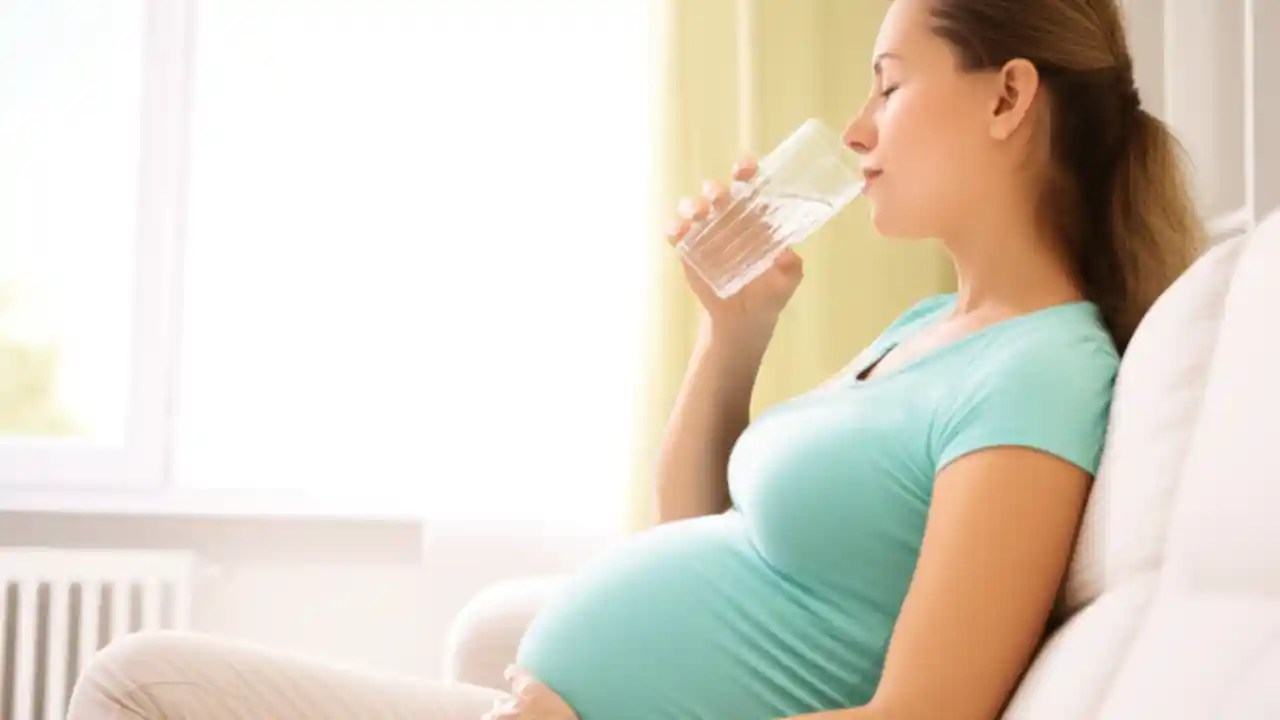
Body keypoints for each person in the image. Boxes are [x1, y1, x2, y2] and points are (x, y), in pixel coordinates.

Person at [67, 0, 1203, 718]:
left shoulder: (1041, 375)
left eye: (889, 83)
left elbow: (920, 718)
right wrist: (730, 328)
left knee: (136, 684)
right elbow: (701, 536)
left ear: (1007, 94)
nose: (856, 128)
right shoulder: (922, 334)